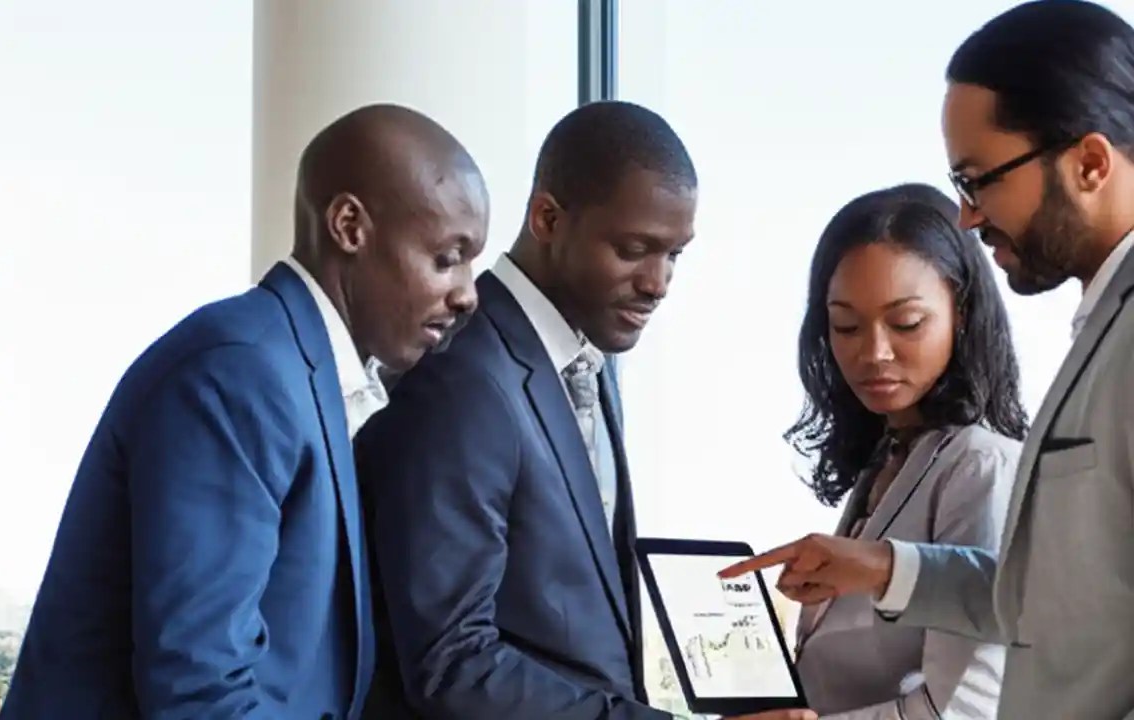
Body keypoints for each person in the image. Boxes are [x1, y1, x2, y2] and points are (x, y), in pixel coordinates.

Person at [0, 103, 488, 720]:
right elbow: (201, 692)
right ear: (349, 225)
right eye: (447, 256)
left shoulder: (297, 373)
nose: (468, 291)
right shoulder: (242, 373)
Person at [720, 2, 1134, 718]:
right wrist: (884, 565)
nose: (968, 216)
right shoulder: (1099, 326)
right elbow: (1044, 600)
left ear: (1090, 163)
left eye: (979, 182)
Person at [355, 100, 813, 720]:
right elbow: (452, 662)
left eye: (674, 254)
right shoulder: (460, 379)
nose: (658, 282)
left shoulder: (585, 363)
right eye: (633, 249)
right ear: (546, 218)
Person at [785, 183, 1025, 719]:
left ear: (961, 311)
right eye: (845, 325)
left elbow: (966, 709)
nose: (874, 353)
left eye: (906, 323)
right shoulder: (887, 463)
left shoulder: (980, 466)